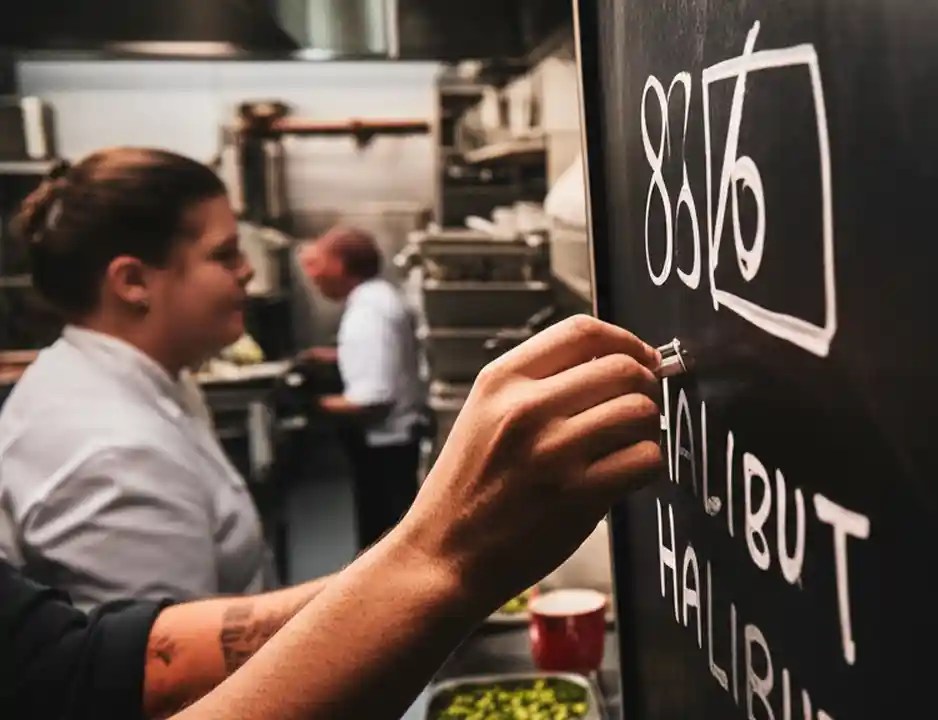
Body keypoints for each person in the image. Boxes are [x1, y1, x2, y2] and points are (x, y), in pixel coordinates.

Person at [3, 314, 664, 720]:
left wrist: (426, 551)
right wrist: (442, 560)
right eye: (224, 253)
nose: (247, 270)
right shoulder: (101, 438)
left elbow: (92, 664)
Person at [0, 148, 272, 608]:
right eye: (225, 255)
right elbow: (169, 650)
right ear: (132, 282)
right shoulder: (115, 455)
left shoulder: (144, 378)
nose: (247, 271)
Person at [298, 226, 429, 549]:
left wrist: (307, 406)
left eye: (319, 263)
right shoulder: (377, 297)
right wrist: (334, 356)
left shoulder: (368, 312)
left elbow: (373, 400)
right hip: (397, 442)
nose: (312, 275)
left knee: (384, 548)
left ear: (341, 265)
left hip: (386, 451)